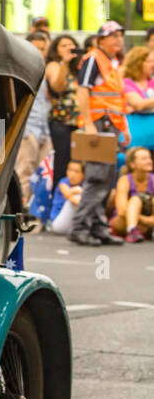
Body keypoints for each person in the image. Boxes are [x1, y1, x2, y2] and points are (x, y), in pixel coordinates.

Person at [73, 21, 129, 246]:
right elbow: (82, 91)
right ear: (101, 39)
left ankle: (97, 226)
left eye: (120, 35)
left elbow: (116, 99)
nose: (118, 39)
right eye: (113, 35)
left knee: (106, 178)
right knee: (97, 177)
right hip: (98, 124)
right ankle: (80, 227)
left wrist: (124, 128)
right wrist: (88, 124)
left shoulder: (110, 62)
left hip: (110, 125)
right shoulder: (94, 58)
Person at [17, 31, 54, 211]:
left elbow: (43, 105)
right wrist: (23, 131)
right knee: (24, 172)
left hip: (42, 130)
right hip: (27, 129)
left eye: (43, 48)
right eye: (36, 48)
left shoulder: (43, 71)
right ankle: (20, 212)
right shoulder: (21, 70)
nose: (40, 52)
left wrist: (46, 133)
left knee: (41, 174)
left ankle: (34, 212)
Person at [46, 33, 79, 193]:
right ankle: (56, 199)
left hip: (79, 124)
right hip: (61, 122)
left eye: (71, 44)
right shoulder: (54, 65)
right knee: (61, 163)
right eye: (64, 45)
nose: (68, 48)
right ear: (56, 49)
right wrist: (65, 63)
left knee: (77, 164)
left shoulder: (78, 68)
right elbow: (58, 87)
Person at [112, 147, 154, 242]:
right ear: (132, 164)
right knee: (136, 200)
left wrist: (145, 220)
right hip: (125, 222)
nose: (149, 161)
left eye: (149, 158)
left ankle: (137, 230)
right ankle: (133, 230)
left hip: (147, 222)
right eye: (144, 159)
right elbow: (122, 210)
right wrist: (145, 221)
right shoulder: (124, 180)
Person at [122, 45, 154, 151]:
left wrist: (142, 106)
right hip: (136, 140)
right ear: (137, 63)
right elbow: (138, 104)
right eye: (149, 61)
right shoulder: (127, 83)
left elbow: (138, 106)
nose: (153, 65)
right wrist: (140, 106)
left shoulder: (151, 82)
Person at [48, 160, 84, 235]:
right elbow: (67, 193)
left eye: (76, 172)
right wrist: (78, 190)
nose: (72, 174)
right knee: (75, 198)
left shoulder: (84, 184)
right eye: (70, 170)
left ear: (83, 175)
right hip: (58, 223)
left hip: (71, 224)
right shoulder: (63, 182)